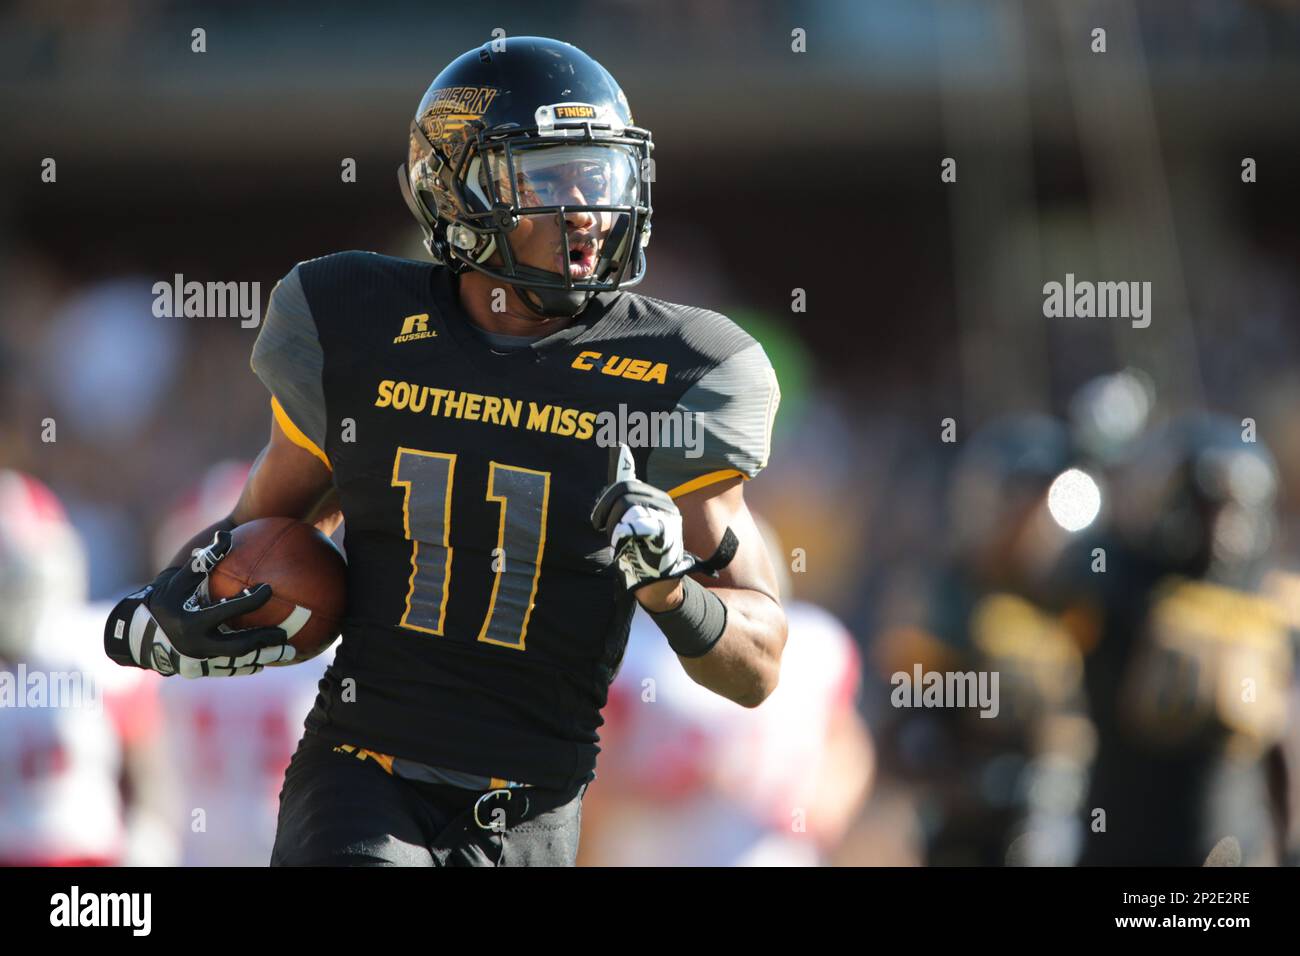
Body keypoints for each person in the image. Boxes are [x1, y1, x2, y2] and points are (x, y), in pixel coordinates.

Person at [102, 36, 786, 867]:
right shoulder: (357, 323)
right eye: (546, 178)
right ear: (450, 190)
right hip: (364, 770)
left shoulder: (681, 367)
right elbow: (262, 532)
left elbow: (756, 668)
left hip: (535, 804)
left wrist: (672, 591)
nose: (584, 211)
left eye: (598, 176)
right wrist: (181, 601)